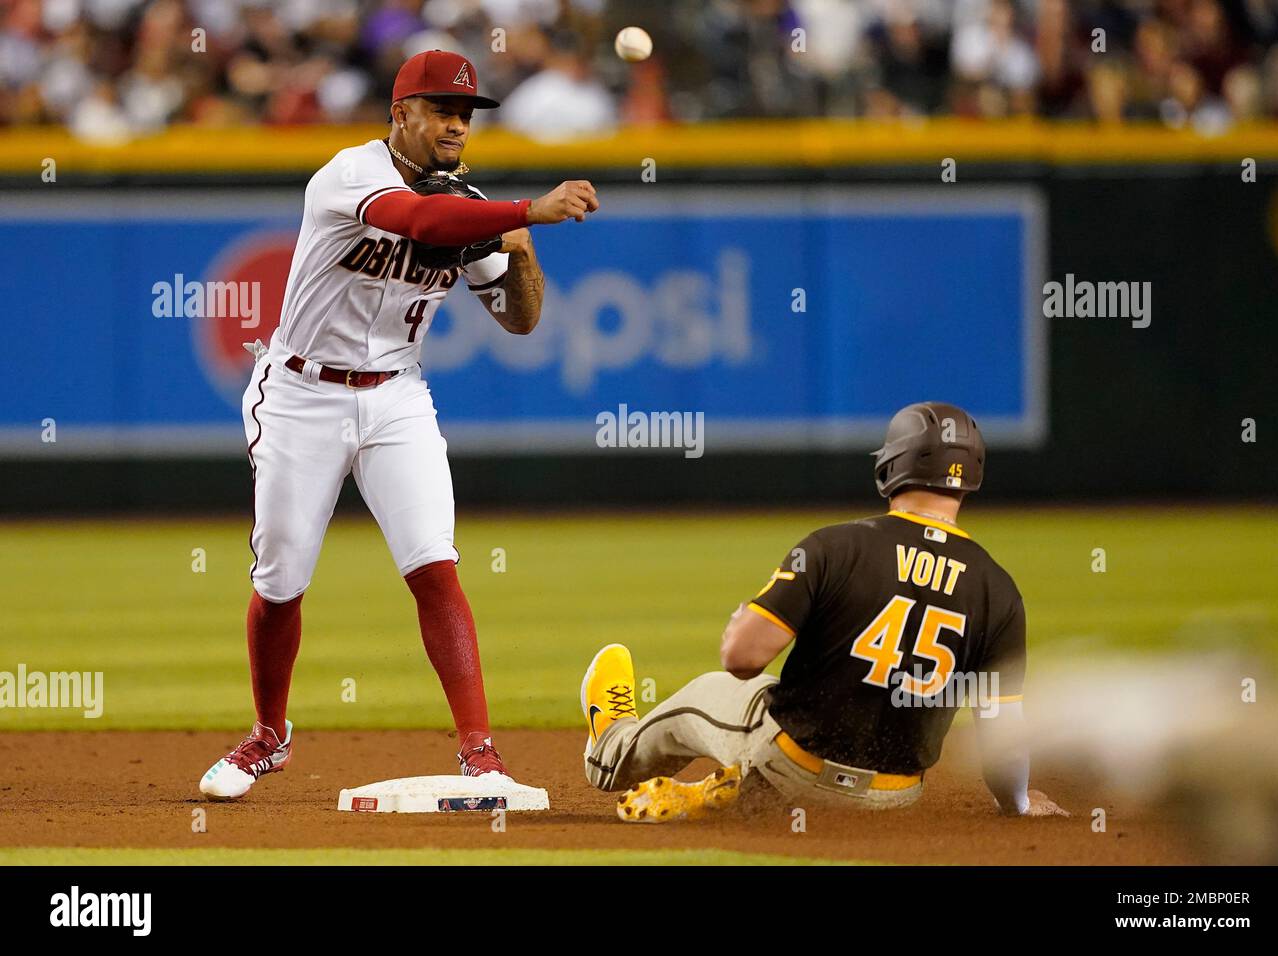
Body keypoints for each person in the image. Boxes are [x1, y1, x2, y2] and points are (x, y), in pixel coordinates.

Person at [199, 49, 598, 800]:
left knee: (433, 563)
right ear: (400, 113)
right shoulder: (351, 173)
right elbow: (415, 218)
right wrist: (522, 210)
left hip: (397, 397)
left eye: (466, 113)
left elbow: (519, 320)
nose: (456, 124)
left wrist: (521, 250)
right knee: (282, 579)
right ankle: (269, 735)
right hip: (301, 393)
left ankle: (480, 753)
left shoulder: (470, 202)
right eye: (442, 109)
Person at [580, 402, 1067, 822]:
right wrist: (1019, 803)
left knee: (717, 692)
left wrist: (742, 621)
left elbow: (743, 658)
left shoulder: (838, 545)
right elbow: (1003, 737)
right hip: (894, 801)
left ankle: (610, 747)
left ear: (890, 466)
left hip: (794, 767)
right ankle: (730, 796)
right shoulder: (999, 590)